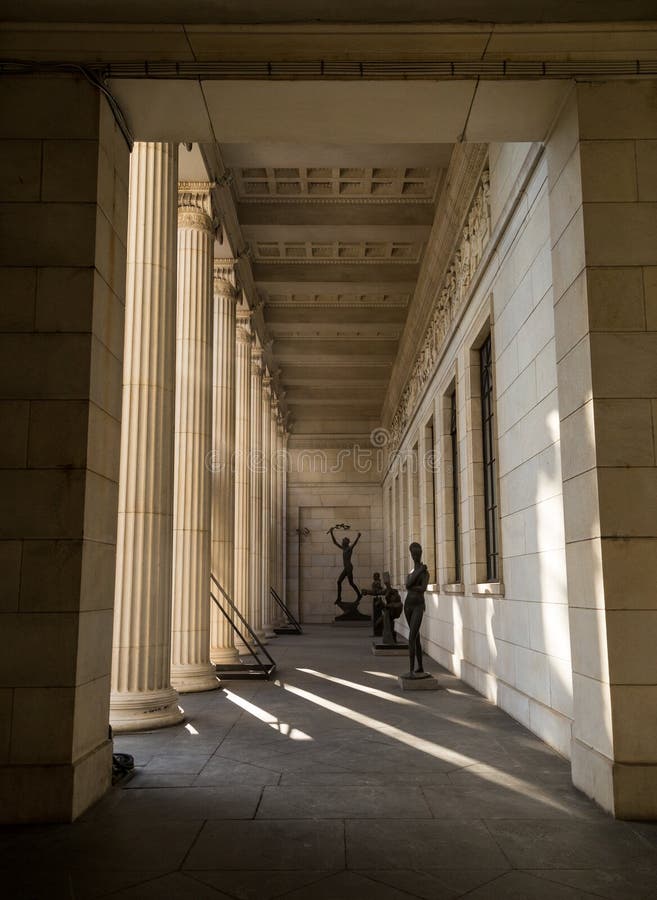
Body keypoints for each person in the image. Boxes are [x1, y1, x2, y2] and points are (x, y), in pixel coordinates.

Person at [404, 542, 429, 677]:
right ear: (411, 555)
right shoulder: (416, 571)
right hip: (407, 606)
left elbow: (423, 588)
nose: (416, 556)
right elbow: (408, 584)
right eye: (414, 554)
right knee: (416, 636)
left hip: (418, 606)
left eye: (418, 554)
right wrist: (419, 571)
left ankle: (411, 670)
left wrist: (412, 587)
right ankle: (419, 667)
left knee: (412, 637)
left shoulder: (425, 573)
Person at [329, 526, 362, 605]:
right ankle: (339, 597)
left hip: (349, 568)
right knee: (339, 582)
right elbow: (335, 542)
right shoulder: (344, 548)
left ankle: (359, 595)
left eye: (343, 540)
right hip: (346, 568)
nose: (342, 541)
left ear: (346, 542)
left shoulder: (349, 548)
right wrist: (331, 532)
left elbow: (354, 544)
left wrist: (358, 537)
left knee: (350, 583)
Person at [380, 571, 402, 644]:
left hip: (393, 610)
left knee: (390, 622)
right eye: (385, 582)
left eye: (387, 582)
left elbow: (397, 602)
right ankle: (391, 638)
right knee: (389, 623)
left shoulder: (393, 591)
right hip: (389, 610)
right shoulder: (386, 590)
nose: (386, 583)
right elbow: (377, 592)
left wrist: (388, 605)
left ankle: (391, 638)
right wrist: (367, 592)